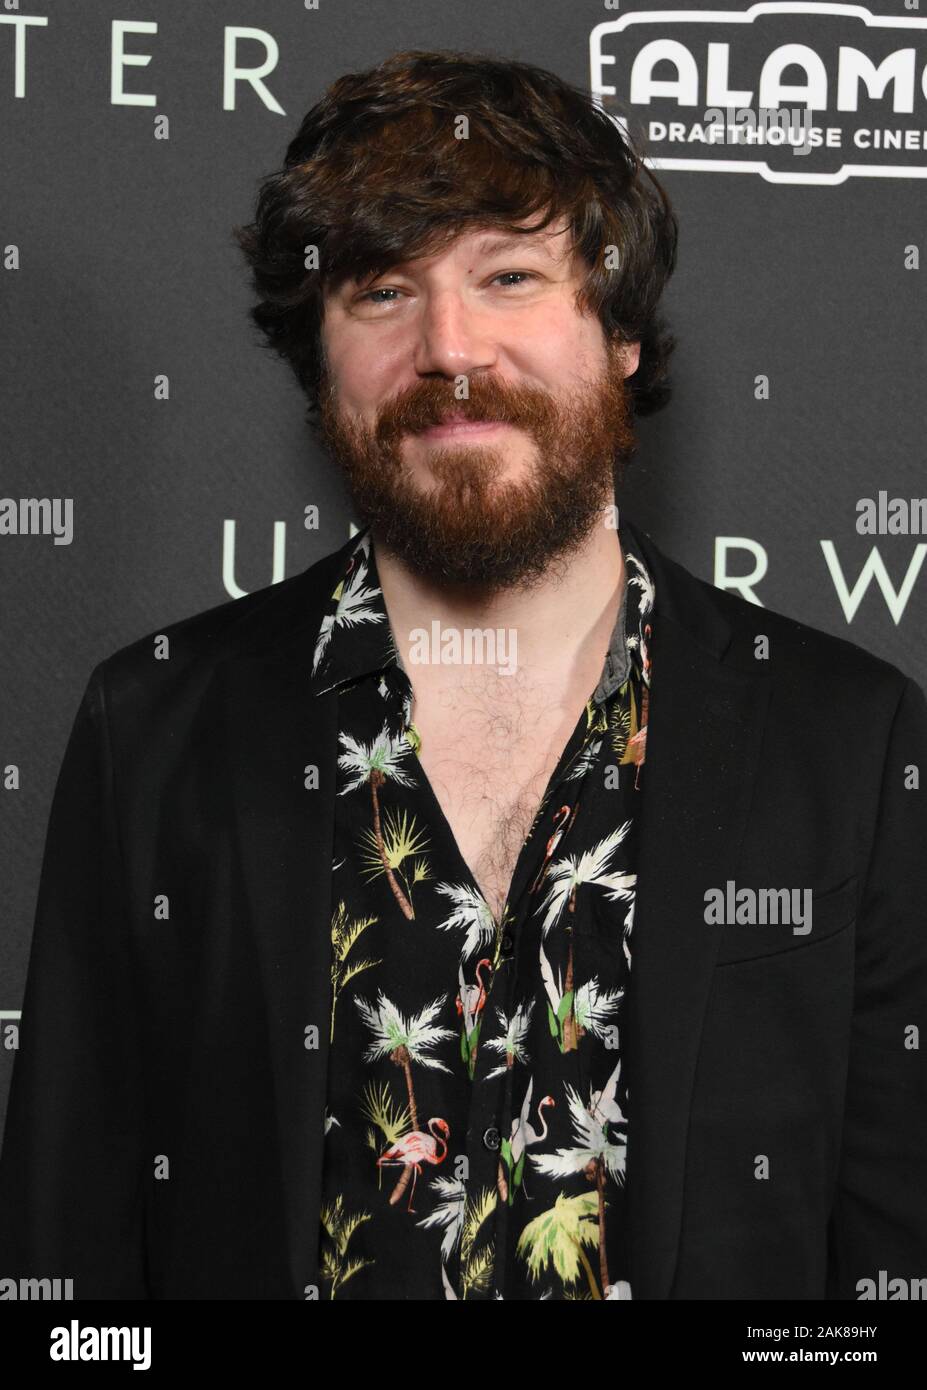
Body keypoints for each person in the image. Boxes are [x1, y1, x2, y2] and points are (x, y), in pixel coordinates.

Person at [1, 49, 925, 1301]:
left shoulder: (850, 742)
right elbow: (67, 1272)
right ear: (317, 360)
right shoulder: (154, 725)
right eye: (383, 290)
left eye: (509, 276)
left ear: (621, 334)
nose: (449, 347)